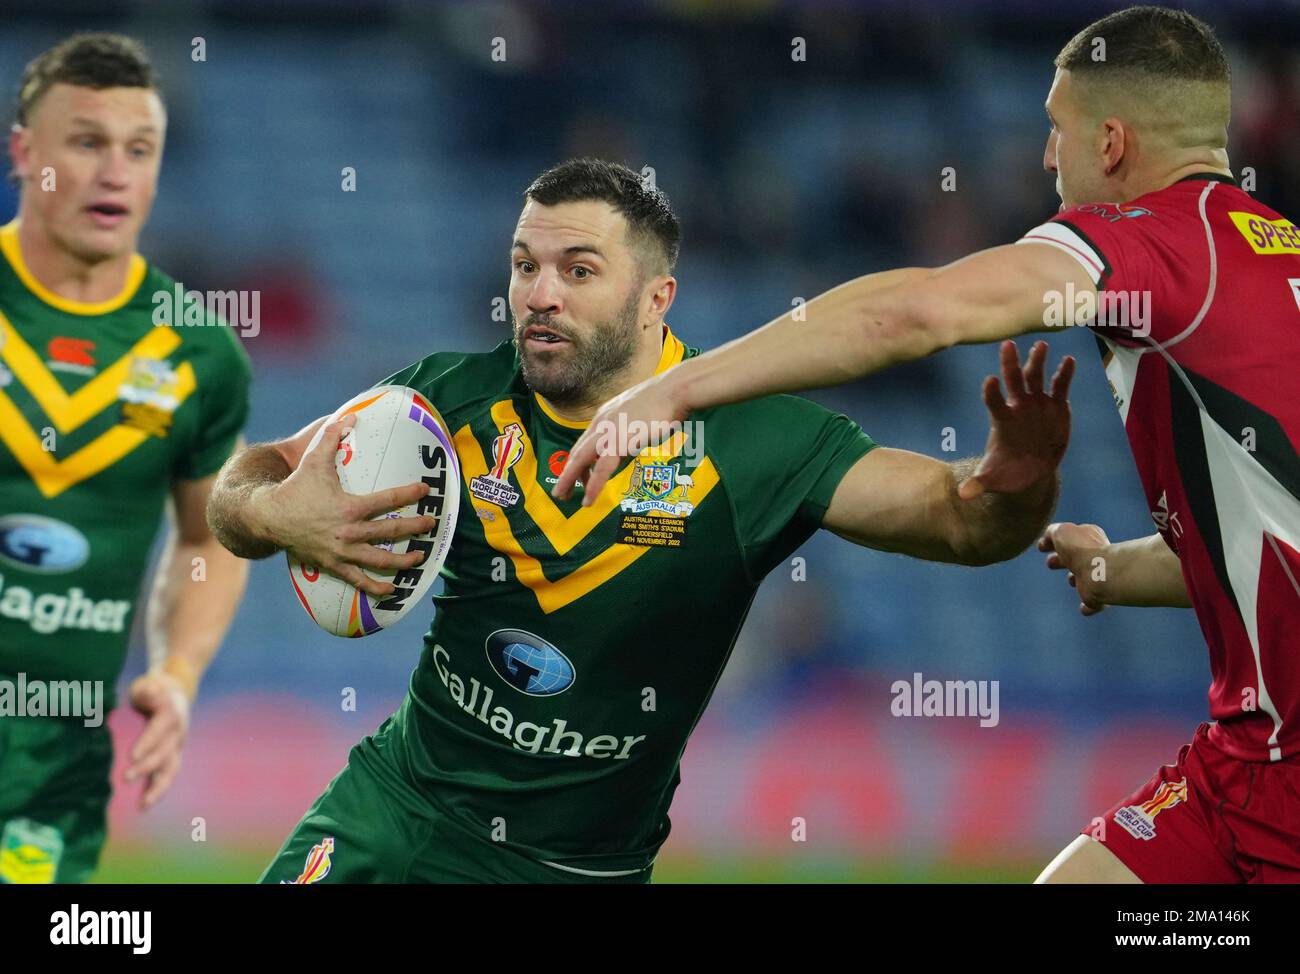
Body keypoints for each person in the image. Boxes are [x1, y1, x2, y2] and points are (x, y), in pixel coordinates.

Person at [555, 8, 1300, 884]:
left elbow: (920, 311)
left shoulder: (1158, 245)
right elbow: (1269, 534)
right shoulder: (1271, 260)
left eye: (1056, 133)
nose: (1047, 160)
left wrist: (674, 388)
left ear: (1112, 141)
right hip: (1246, 757)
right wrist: (1116, 570)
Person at [206, 158, 1074, 883]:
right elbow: (244, 482)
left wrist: (1018, 479)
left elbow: (966, 525)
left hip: (581, 869)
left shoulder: (753, 438)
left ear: (657, 298)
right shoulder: (447, 400)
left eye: (578, 271)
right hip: (394, 814)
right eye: (524, 266)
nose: (539, 294)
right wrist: (277, 509)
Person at [0, 34, 253, 883]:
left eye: (139, 150)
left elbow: (208, 537)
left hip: (54, 764)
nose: (116, 171)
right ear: (23, 153)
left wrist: (176, 673)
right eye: (87, 142)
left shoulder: (199, 353)